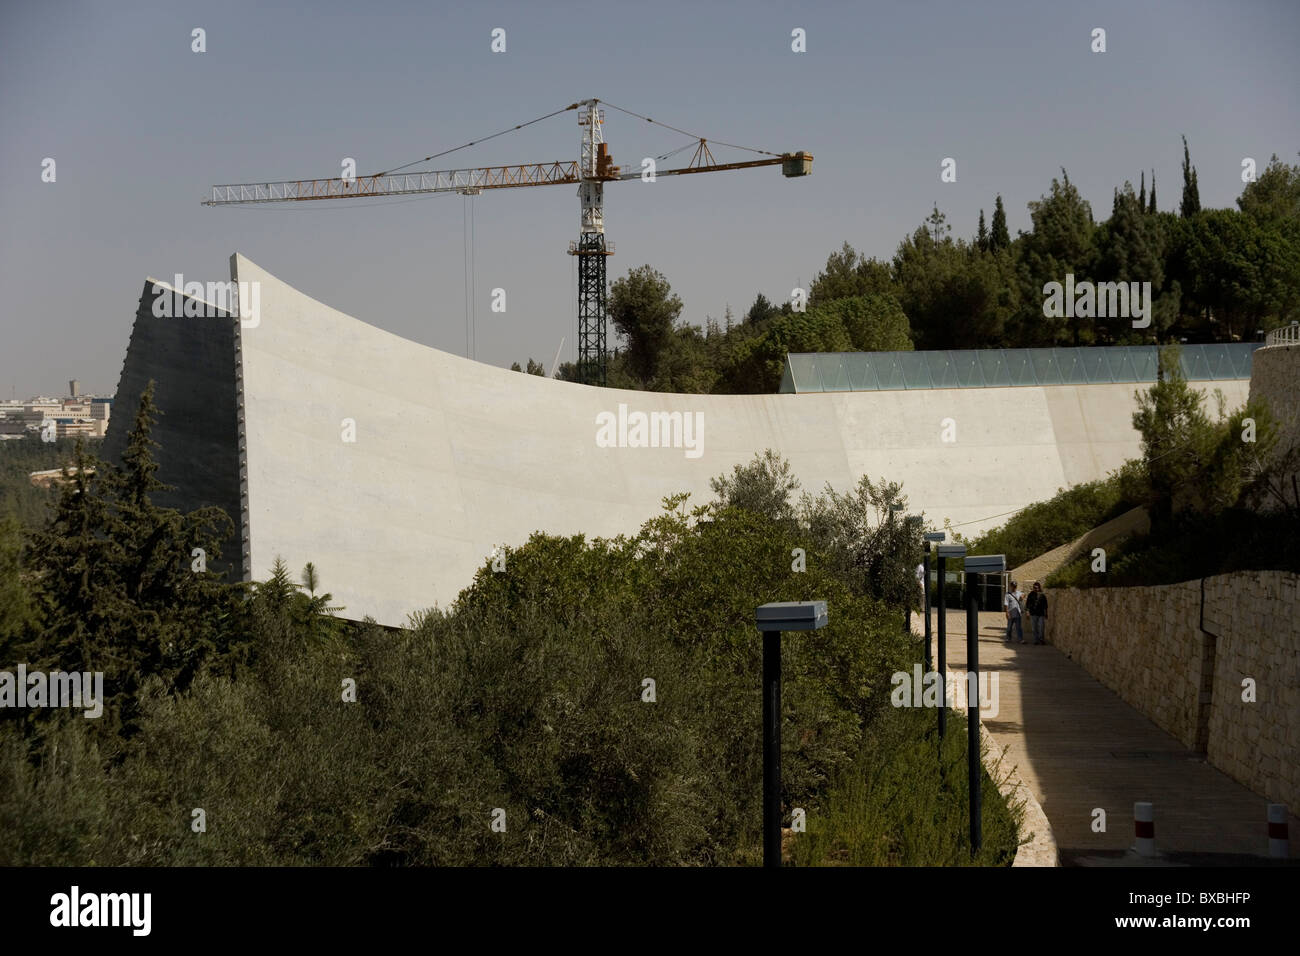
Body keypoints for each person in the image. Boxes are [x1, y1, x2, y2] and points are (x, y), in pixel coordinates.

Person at [1003, 579, 1024, 644]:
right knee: (1009, 627)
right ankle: (1008, 638)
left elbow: (1023, 594)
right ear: (1011, 586)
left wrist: (1023, 596)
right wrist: (1007, 613)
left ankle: (1020, 639)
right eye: (1013, 586)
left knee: (1019, 627)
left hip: (1018, 613)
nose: (1014, 587)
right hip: (1010, 613)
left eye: (1015, 586)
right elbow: (1006, 604)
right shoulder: (1008, 594)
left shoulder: (1019, 593)